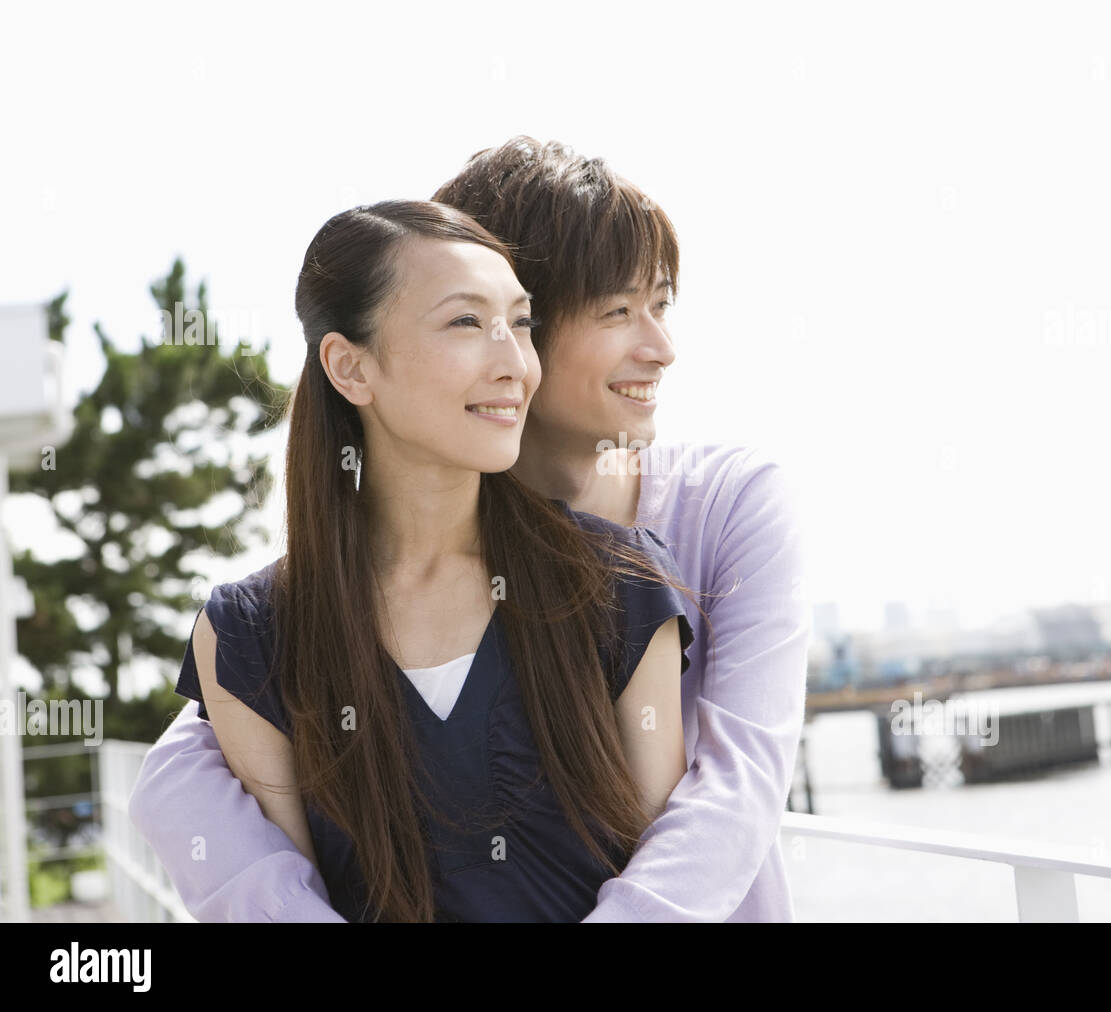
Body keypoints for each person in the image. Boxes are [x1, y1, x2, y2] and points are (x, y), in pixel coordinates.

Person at [130, 137, 810, 922]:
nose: (661, 348)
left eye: (661, 305)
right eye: (619, 309)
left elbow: (736, 786)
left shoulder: (696, 523)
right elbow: (192, 759)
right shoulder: (263, 624)